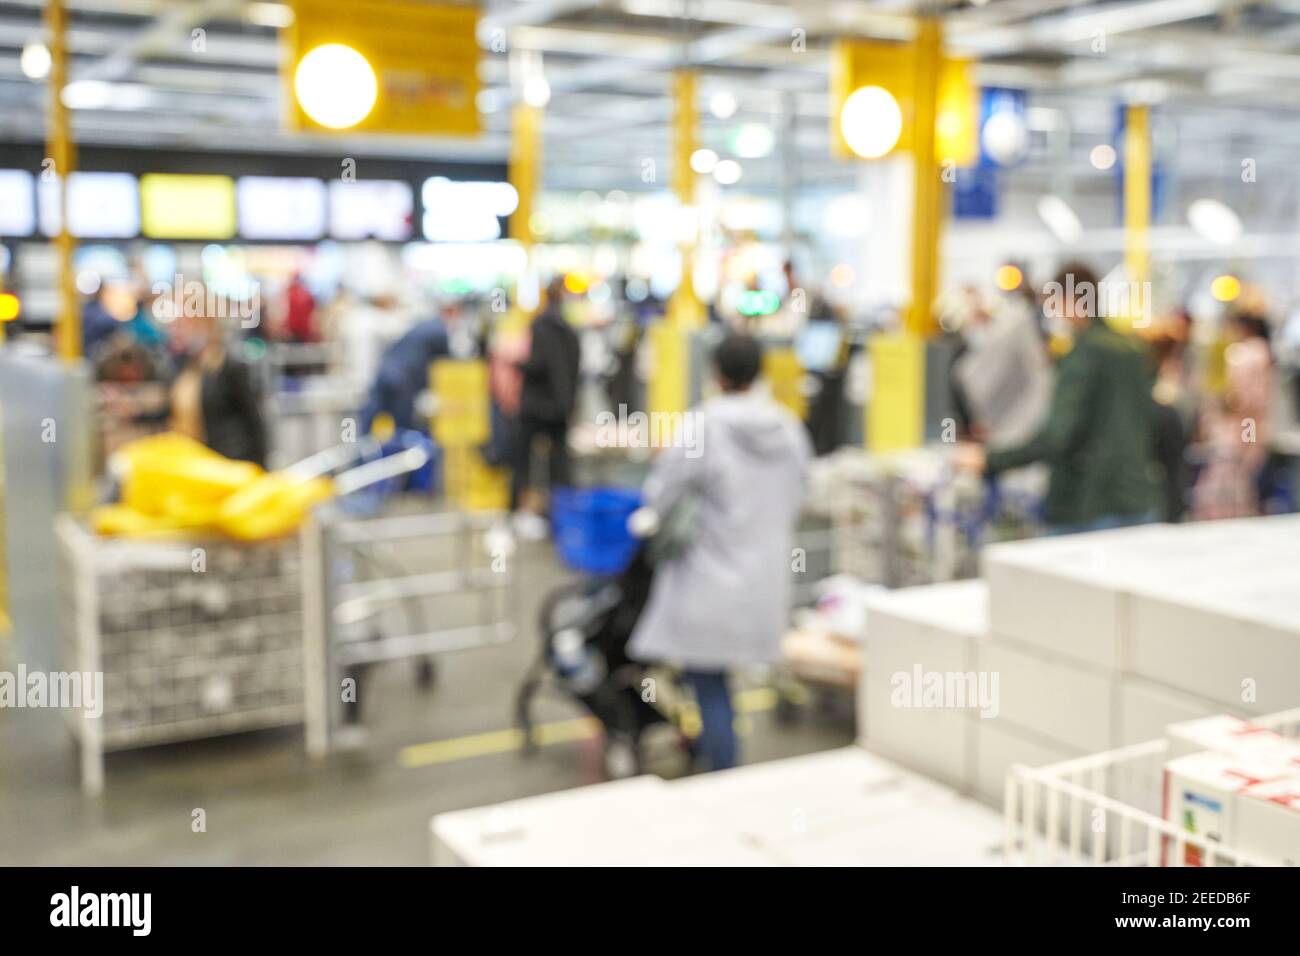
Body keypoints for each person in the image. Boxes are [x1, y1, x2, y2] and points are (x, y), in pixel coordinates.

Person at [628, 334, 811, 771]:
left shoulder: (702, 426)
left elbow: (662, 492)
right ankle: (714, 755)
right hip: (764, 579)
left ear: (716, 374)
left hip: (708, 580)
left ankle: (723, 776)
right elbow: (806, 487)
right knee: (720, 679)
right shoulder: (787, 427)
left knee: (708, 680)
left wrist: (646, 520)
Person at [954, 263, 1158, 534]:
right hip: (1137, 500)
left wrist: (990, 460)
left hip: (1086, 505)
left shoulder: (1083, 356)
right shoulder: (1133, 349)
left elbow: (1057, 437)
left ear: (1070, 300)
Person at [511, 277, 580, 526]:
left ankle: (520, 510)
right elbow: (574, 370)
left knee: (524, 460)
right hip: (560, 407)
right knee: (559, 463)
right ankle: (561, 515)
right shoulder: (570, 330)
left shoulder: (539, 325)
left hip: (535, 406)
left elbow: (538, 364)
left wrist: (515, 363)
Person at [168, 313, 267, 466]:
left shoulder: (228, 366)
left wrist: (261, 464)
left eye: (189, 325)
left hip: (229, 461)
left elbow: (253, 418)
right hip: (195, 460)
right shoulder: (185, 368)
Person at [358, 317, 450, 435]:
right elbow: (445, 361)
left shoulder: (420, 327)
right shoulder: (439, 330)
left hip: (384, 371)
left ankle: (362, 447)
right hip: (403, 378)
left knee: (372, 414)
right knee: (402, 424)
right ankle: (402, 449)